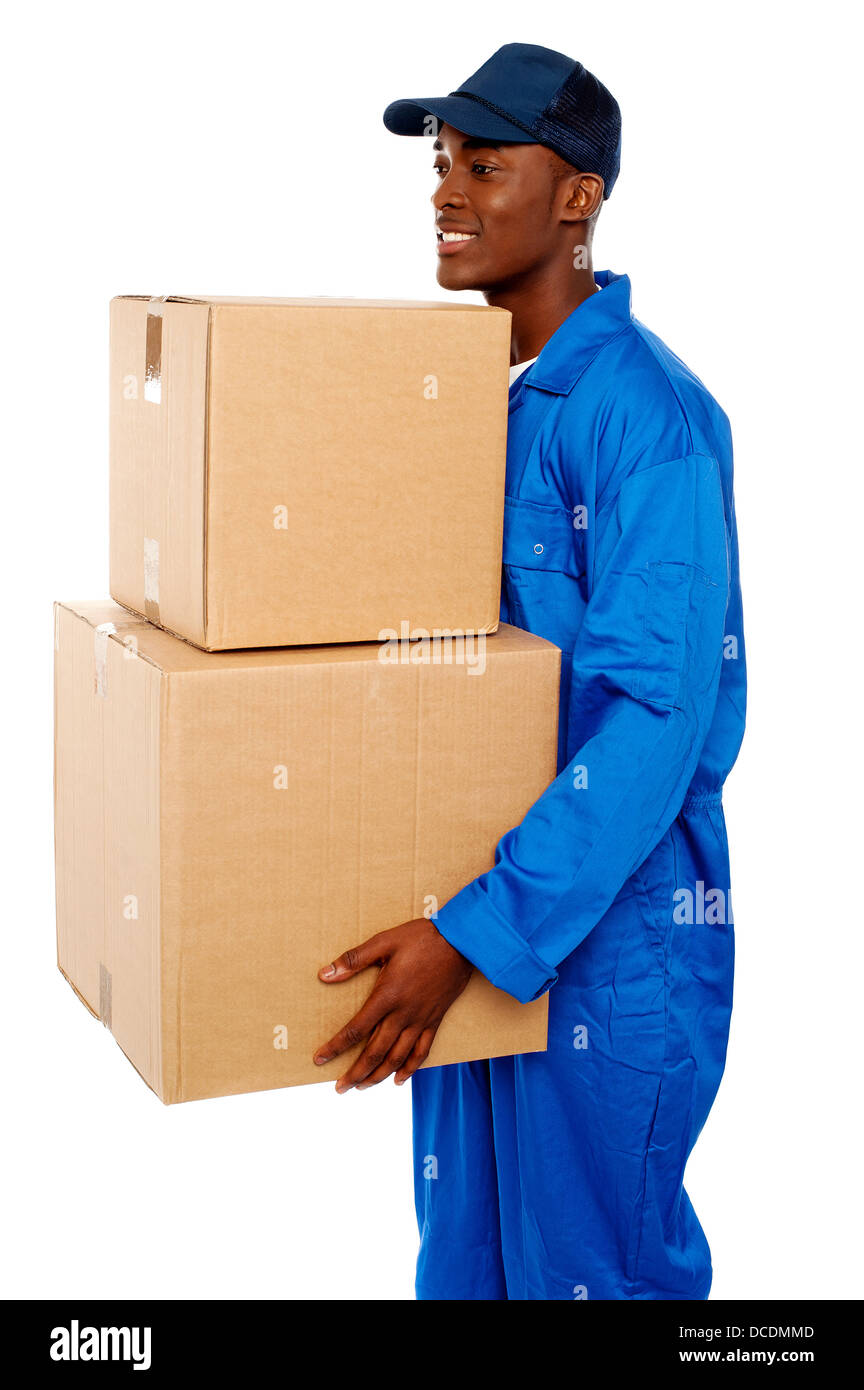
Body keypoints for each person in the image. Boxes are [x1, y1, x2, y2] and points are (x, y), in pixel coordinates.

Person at [311, 42, 746, 1301]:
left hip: (607, 938)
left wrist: (476, 936)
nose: (446, 190)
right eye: (442, 163)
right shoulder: (473, 407)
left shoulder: (648, 418)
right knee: (466, 1269)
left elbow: (651, 722)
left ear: (578, 198)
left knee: (589, 1279)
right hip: (476, 911)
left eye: (484, 164)